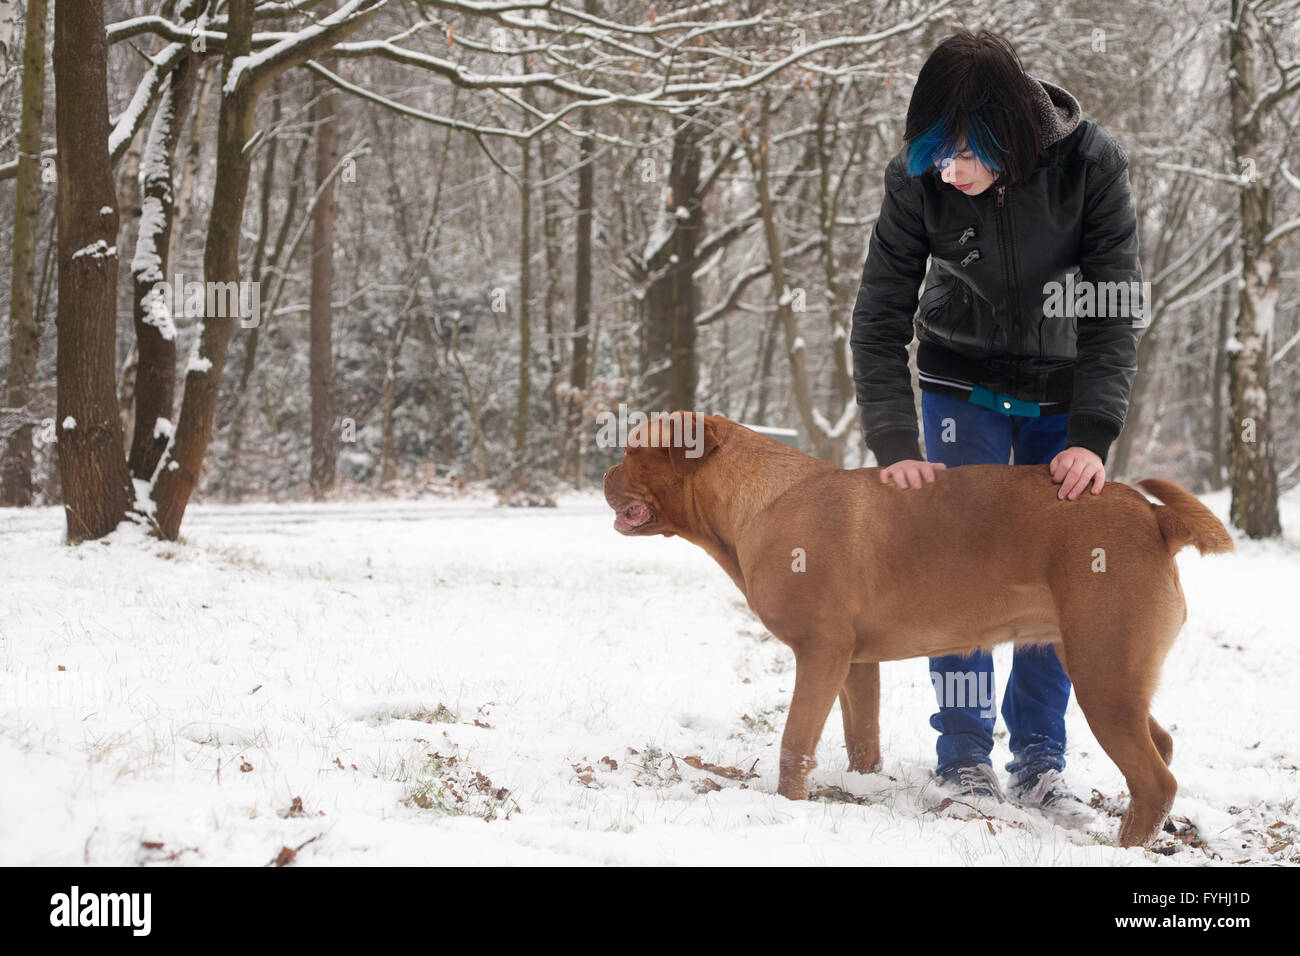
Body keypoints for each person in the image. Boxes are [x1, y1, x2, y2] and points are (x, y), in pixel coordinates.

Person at [849, 30, 1145, 818]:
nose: (949, 171)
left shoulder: (1091, 164)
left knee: (1058, 573)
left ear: (1008, 137)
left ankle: (1042, 757)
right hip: (961, 384)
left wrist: (1093, 433)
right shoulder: (916, 180)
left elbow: (1115, 308)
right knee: (958, 567)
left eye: (964, 153)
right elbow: (879, 316)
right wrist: (895, 445)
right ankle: (962, 757)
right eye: (935, 154)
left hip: (1063, 394)